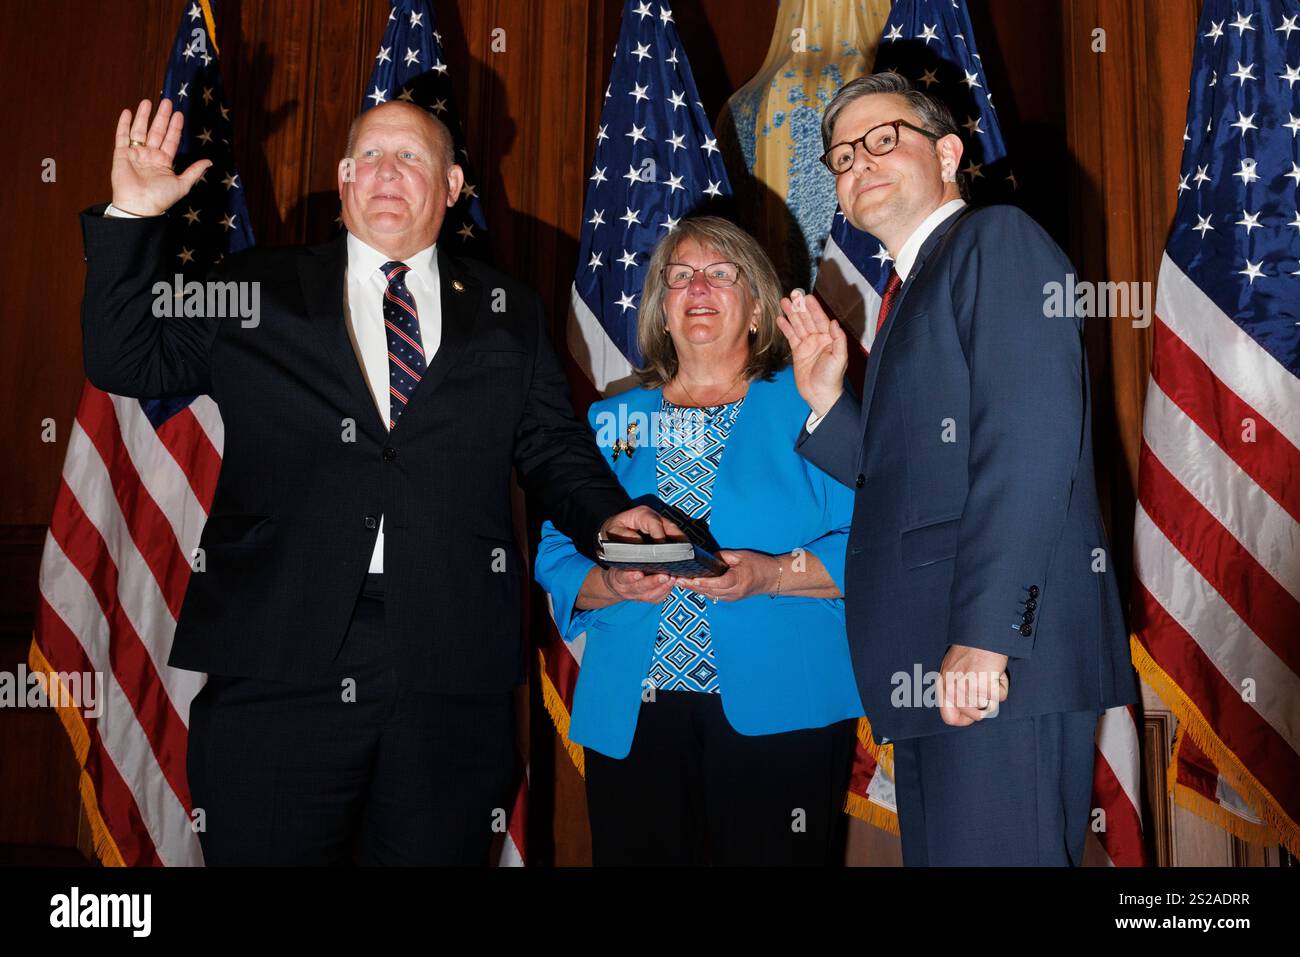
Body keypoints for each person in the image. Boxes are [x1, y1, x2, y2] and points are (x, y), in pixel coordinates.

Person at [80, 97, 673, 865]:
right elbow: (125, 356)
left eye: (411, 157)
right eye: (370, 157)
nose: (386, 173)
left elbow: (554, 450)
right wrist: (132, 212)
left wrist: (609, 523)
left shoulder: (507, 312)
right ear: (342, 177)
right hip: (281, 659)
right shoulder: (254, 286)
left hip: (449, 670)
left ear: (453, 185)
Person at [776, 74, 1139, 866]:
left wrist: (985, 635)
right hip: (940, 661)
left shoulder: (996, 240)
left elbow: (1029, 447)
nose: (858, 163)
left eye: (883, 139)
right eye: (841, 155)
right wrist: (829, 400)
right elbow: (907, 482)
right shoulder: (915, 286)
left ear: (947, 151)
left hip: (996, 659)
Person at [535, 216, 863, 866]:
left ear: (757, 306)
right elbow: (555, 548)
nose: (697, 287)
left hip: (783, 711)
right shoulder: (611, 419)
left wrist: (770, 574)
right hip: (636, 716)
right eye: (679, 276)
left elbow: (874, 541)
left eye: (720, 273)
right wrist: (611, 582)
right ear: (660, 308)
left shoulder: (811, 405)